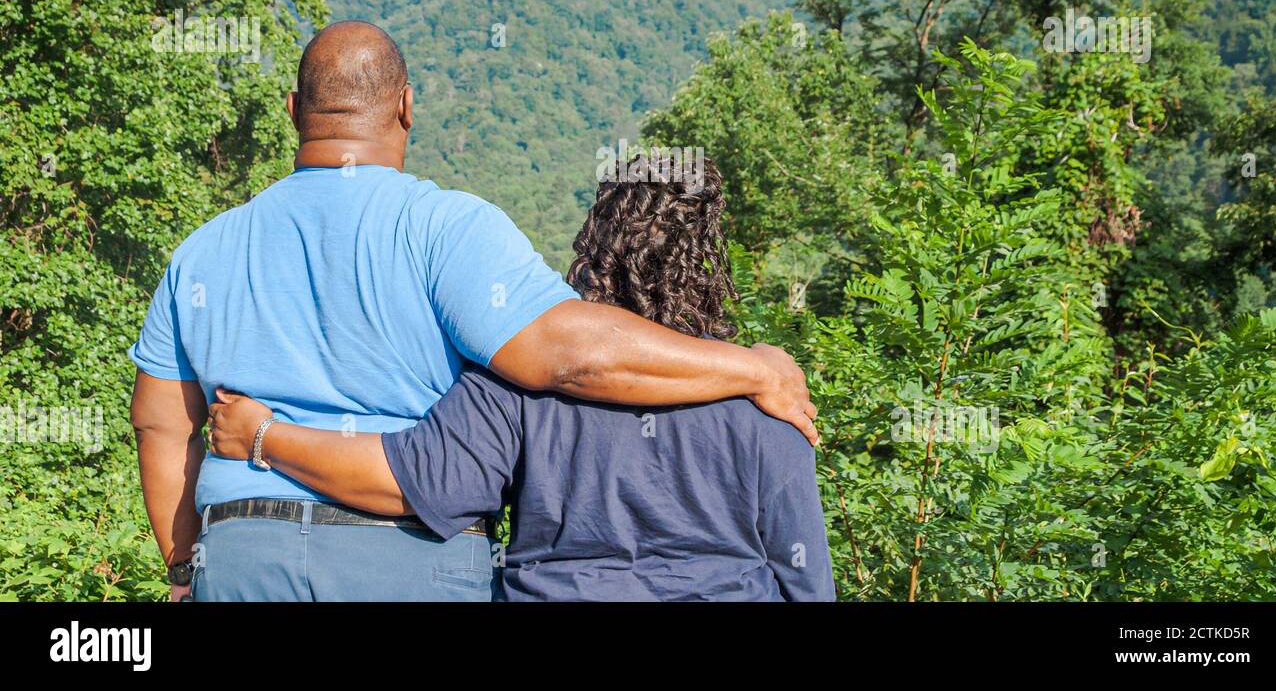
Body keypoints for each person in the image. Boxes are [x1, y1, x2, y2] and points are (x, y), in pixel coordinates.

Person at [128, 21, 817, 602]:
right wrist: (752, 369)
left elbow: (161, 425)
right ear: (405, 107)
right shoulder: (448, 228)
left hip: (243, 553)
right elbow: (571, 355)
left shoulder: (202, 251)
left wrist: (186, 564)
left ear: (291, 110)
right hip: (407, 557)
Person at [210, 154, 835, 601]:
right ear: (709, 259)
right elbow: (803, 574)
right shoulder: (769, 397)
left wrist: (264, 435)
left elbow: (421, 482)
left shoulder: (515, 383)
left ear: (594, 242)